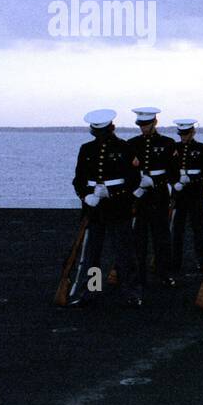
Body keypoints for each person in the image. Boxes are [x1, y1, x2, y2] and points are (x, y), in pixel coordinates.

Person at [68, 109, 141, 307]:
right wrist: (86, 196)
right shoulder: (86, 149)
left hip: (118, 206)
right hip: (94, 207)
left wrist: (113, 194)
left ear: (111, 128)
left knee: (124, 252)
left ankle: (131, 292)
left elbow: (134, 179)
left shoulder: (124, 148)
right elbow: (79, 179)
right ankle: (92, 290)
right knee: (93, 253)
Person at [125, 106, 179, 288]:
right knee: (138, 238)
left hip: (159, 195)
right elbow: (127, 171)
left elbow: (174, 172)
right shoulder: (131, 144)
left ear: (155, 122)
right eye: (141, 125)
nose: (143, 128)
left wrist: (155, 182)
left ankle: (164, 273)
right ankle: (139, 276)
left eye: (147, 124)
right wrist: (137, 185)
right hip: (139, 196)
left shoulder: (168, 143)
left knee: (161, 237)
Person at [169, 118, 203, 277]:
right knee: (177, 229)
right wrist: (174, 182)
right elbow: (168, 168)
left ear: (193, 132)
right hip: (179, 193)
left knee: (198, 228)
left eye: (186, 134)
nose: (183, 137)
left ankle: (201, 260)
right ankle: (175, 262)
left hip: (195, 192)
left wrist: (193, 180)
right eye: (181, 134)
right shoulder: (173, 148)